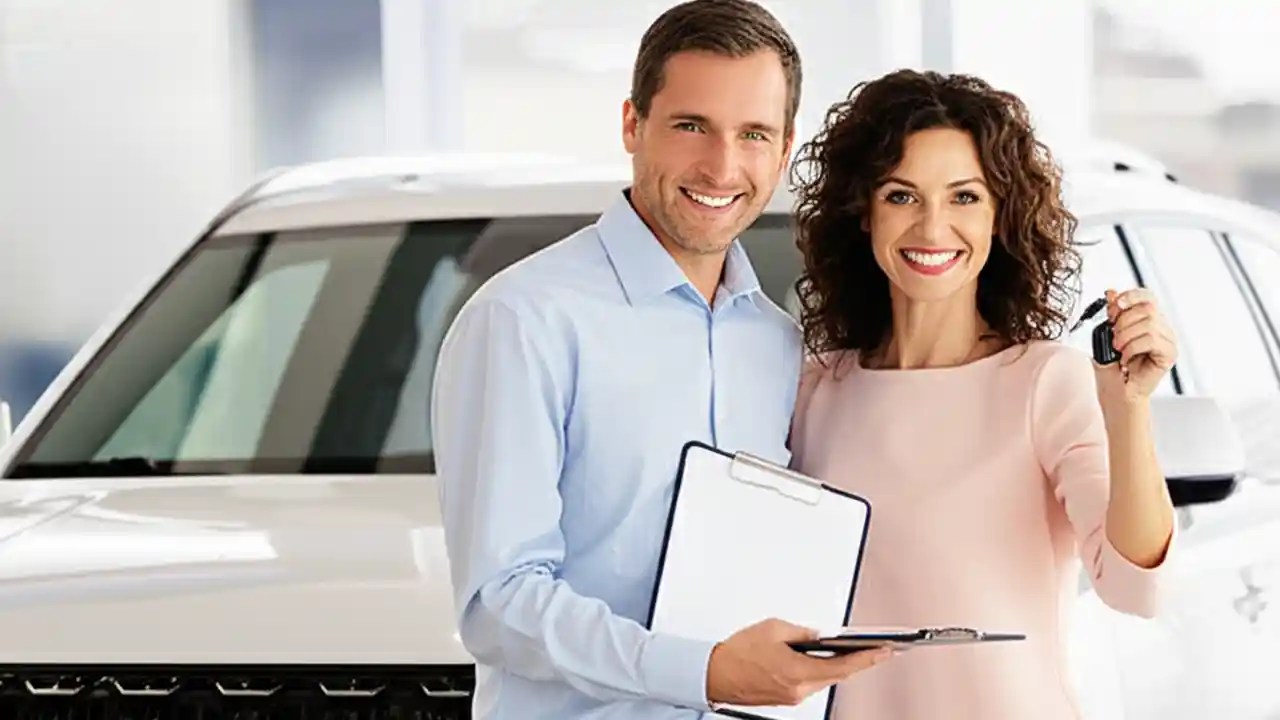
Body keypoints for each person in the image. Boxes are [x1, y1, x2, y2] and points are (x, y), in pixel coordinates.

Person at [431, 2, 895, 718]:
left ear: (782, 148)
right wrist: (701, 671)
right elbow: (500, 601)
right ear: (631, 124)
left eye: (753, 134)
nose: (722, 165)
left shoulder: (775, 345)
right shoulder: (524, 321)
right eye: (691, 126)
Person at [786, 69, 1179, 720]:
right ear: (864, 212)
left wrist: (1128, 409)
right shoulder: (815, 389)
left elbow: (1140, 589)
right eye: (901, 195)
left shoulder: (1044, 382)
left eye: (964, 197)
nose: (933, 226)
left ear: (1000, 216)